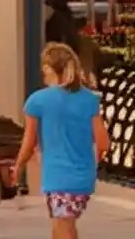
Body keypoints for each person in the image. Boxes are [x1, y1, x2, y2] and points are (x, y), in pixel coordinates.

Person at [12, 43, 109, 239]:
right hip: (82, 175)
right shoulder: (89, 99)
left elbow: (29, 143)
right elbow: (103, 142)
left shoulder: (36, 101)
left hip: (56, 175)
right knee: (61, 225)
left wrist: (18, 166)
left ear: (48, 68)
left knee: (64, 227)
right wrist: (94, 160)